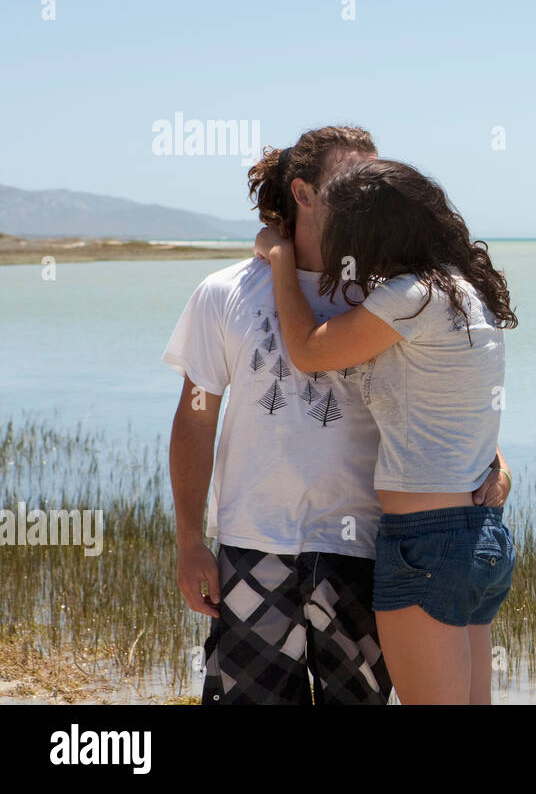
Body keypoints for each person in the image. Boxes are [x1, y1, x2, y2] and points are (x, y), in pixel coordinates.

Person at [163, 126, 512, 704]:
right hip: (255, 545)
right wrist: (188, 540)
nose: (365, 194)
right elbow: (196, 418)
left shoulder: (392, 292)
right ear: (302, 192)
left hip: (368, 550)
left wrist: (496, 465)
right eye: (352, 181)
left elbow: (452, 398)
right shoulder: (223, 292)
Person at [254, 158, 517, 704]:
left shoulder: (410, 296)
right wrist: (500, 462)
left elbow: (307, 352)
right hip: (478, 533)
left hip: (426, 540)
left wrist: (280, 260)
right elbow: (459, 404)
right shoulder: (465, 291)